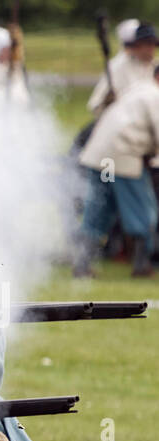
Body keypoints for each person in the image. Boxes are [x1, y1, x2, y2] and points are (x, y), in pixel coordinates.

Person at [76, 61, 159, 277]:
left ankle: (83, 263)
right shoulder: (154, 95)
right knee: (142, 209)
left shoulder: (137, 89)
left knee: (101, 207)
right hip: (122, 158)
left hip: (103, 160)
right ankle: (141, 264)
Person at [87, 20, 157, 115]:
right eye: (147, 44)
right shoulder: (117, 67)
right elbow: (95, 105)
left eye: (153, 45)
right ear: (136, 46)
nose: (151, 49)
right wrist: (106, 104)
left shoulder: (155, 67)